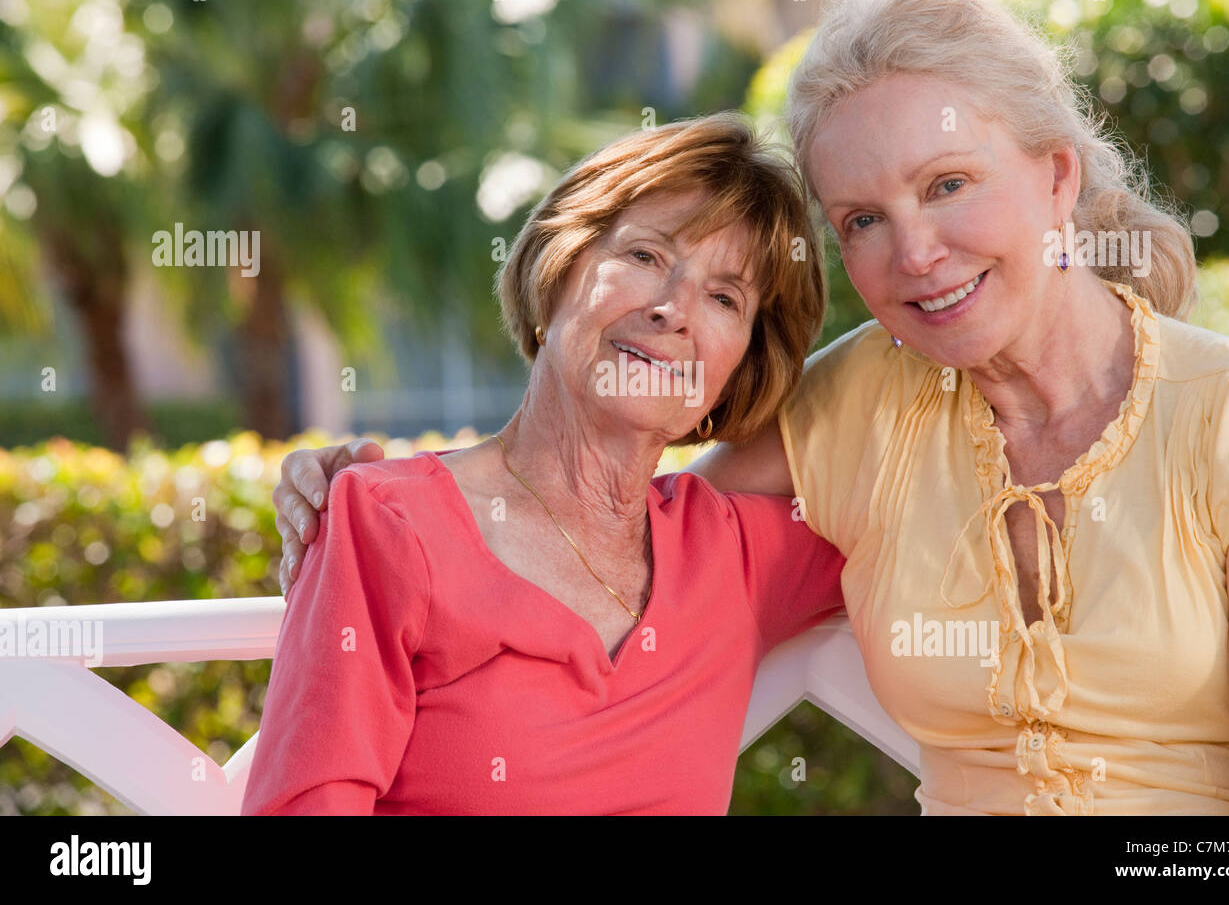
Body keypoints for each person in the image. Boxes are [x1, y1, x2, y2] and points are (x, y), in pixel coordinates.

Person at [277, 0, 1229, 815]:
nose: (914, 252)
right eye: (859, 219)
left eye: (946, 183)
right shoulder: (859, 407)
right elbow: (614, 493)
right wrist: (363, 506)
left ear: (1057, 179)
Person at [241, 113, 847, 815]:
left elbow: (919, 448)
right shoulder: (385, 524)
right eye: (645, 257)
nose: (673, 310)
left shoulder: (740, 556)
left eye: (723, 298)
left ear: (740, 364)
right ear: (557, 268)